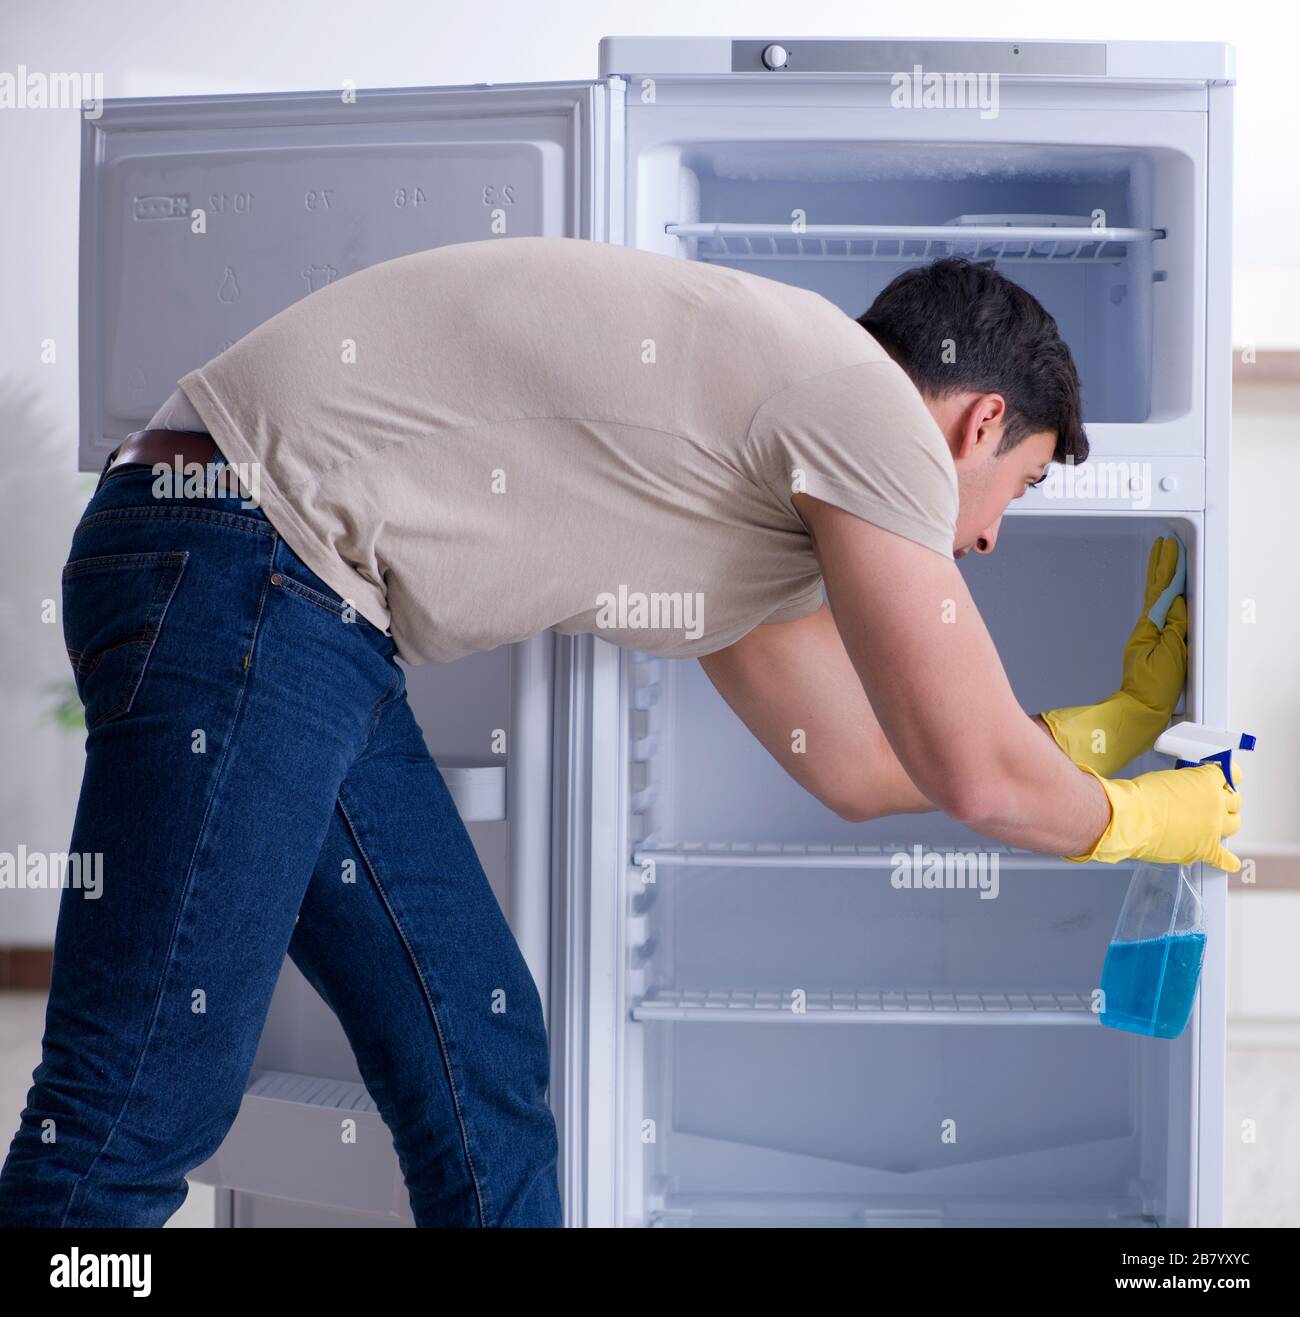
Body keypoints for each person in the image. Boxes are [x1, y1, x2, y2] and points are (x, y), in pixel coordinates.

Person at [0, 238, 1241, 1228]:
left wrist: (1104, 732)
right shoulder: (864, 406)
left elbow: (867, 768)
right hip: (239, 558)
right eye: (1014, 491)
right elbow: (971, 774)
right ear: (975, 424)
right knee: (140, 1104)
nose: (985, 540)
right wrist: (1145, 822)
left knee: (474, 1045)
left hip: (302, 607)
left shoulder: (756, 490)